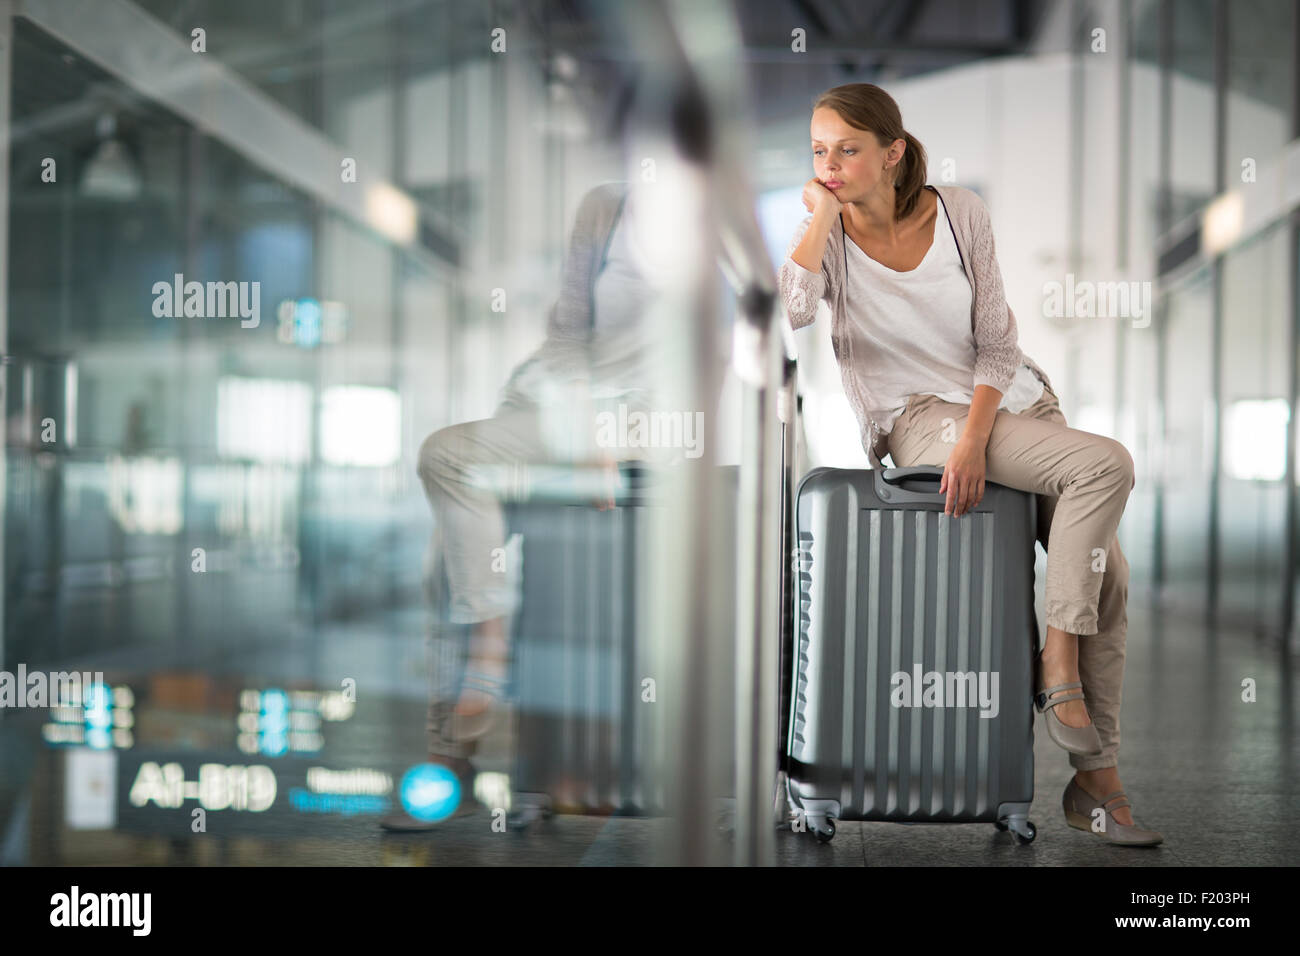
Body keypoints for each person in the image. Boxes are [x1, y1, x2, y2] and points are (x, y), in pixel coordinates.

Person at [778, 82, 1162, 846]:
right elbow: (787, 312)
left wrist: (977, 436)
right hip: (915, 420)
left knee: (1109, 573)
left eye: (848, 150)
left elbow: (995, 341)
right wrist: (821, 215)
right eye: (819, 152)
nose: (831, 165)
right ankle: (1059, 676)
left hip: (1007, 406)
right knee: (1108, 464)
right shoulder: (827, 237)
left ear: (892, 152)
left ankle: (1093, 778)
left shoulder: (960, 212)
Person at [380, 181, 658, 829]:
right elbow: (565, 333)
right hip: (548, 408)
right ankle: (452, 763)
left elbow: (728, 343)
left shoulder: (714, 214)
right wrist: (586, 435)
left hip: (630, 426)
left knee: (444, 455)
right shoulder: (606, 206)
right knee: (442, 564)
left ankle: (489, 649)